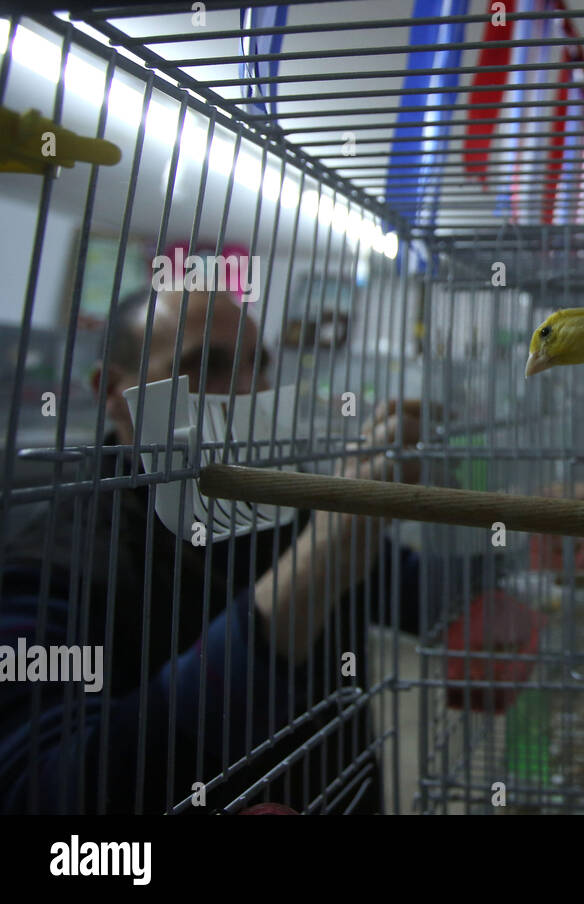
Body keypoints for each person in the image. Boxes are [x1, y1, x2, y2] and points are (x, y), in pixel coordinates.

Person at [0, 289, 472, 814]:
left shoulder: (273, 505)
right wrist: (323, 554)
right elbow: (42, 788)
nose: (248, 391)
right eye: (206, 366)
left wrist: (514, 562)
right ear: (113, 391)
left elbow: (407, 586)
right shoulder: (48, 569)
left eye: (258, 364)